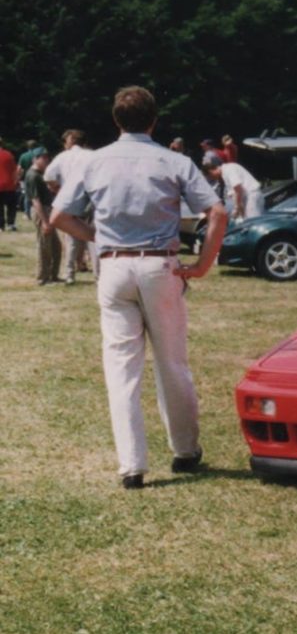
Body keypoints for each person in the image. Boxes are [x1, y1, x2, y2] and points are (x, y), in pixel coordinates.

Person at [51, 86, 227, 490]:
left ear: (116, 120)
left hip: (114, 266)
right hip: (159, 266)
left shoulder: (94, 162)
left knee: (121, 368)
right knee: (172, 362)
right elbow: (216, 211)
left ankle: (132, 465)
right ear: (154, 120)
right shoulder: (173, 160)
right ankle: (184, 449)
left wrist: (95, 235)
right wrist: (201, 264)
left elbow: (59, 215)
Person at [44, 130, 94, 284]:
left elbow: (48, 176)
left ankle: (70, 274)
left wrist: (59, 190)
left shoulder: (62, 156)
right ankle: (98, 273)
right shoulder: (92, 155)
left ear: (69, 142)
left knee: (71, 240)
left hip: (69, 201)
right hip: (91, 199)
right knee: (93, 238)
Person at [26, 150, 60, 285]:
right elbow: (35, 200)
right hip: (41, 211)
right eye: (44, 158)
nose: (47, 161)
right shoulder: (32, 175)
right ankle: (42, 278)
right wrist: (45, 221)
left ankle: (53, 275)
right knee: (44, 245)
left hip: (48, 210)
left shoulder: (41, 174)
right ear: (35, 159)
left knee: (55, 246)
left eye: (48, 158)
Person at [0, 142, 17, 231]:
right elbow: (14, 170)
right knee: (11, 206)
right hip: (9, 184)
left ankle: (1, 226)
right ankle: (11, 224)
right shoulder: (9, 155)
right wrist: (15, 182)